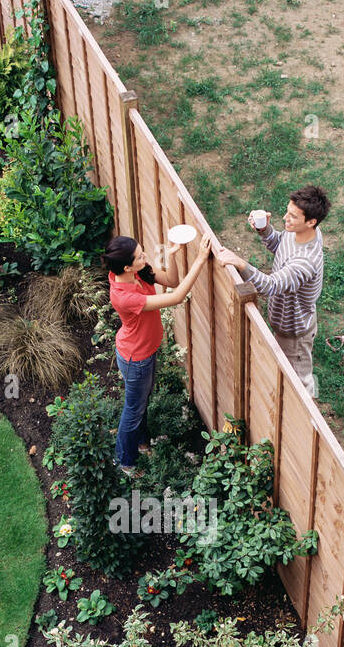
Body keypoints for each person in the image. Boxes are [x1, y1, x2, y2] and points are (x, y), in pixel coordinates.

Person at [104, 232, 211, 476]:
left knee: (141, 403)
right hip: (136, 359)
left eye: (142, 252)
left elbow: (172, 281)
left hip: (144, 352)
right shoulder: (125, 297)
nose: (145, 257)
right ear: (127, 266)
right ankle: (126, 462)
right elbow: (176, 297)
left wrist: (172, 256)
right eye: (140, 256)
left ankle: (142, 443)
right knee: (132, 411)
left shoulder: (135, 271)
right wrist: (200, 260)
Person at [215, 185, 330, 395]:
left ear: (311, 222)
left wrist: (240, 264)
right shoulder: (299, 232)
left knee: (301, 385)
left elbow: (271, 286)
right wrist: (265, 230)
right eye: (287, 211)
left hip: (294, 332)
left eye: (293, 216)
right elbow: (280, 245)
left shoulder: (305, 263)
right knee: (285, 373)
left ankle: (308, 422)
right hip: (283, 320)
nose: (286, 218)